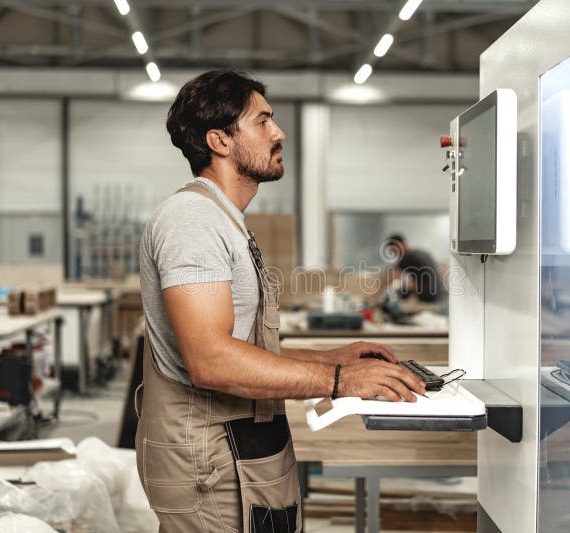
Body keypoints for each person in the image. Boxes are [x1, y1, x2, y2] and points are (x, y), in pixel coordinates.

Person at [135, 70, 425, 533]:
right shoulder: (191, 219)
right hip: (209, 463)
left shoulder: (222, 219)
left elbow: (239, 347)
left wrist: (331, 358)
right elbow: (210, 359)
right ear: (220, 141)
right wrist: (336, 380)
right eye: (263, 121)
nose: (279, 133)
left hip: (237, 449)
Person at [384, 233, 441, 303]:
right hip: (439, 294)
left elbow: (392, 275)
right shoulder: (422, 252)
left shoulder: (407, 258)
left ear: (399, 246)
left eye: (394, 252)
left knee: (397, 292)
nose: (396, 255)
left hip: (428, 296)